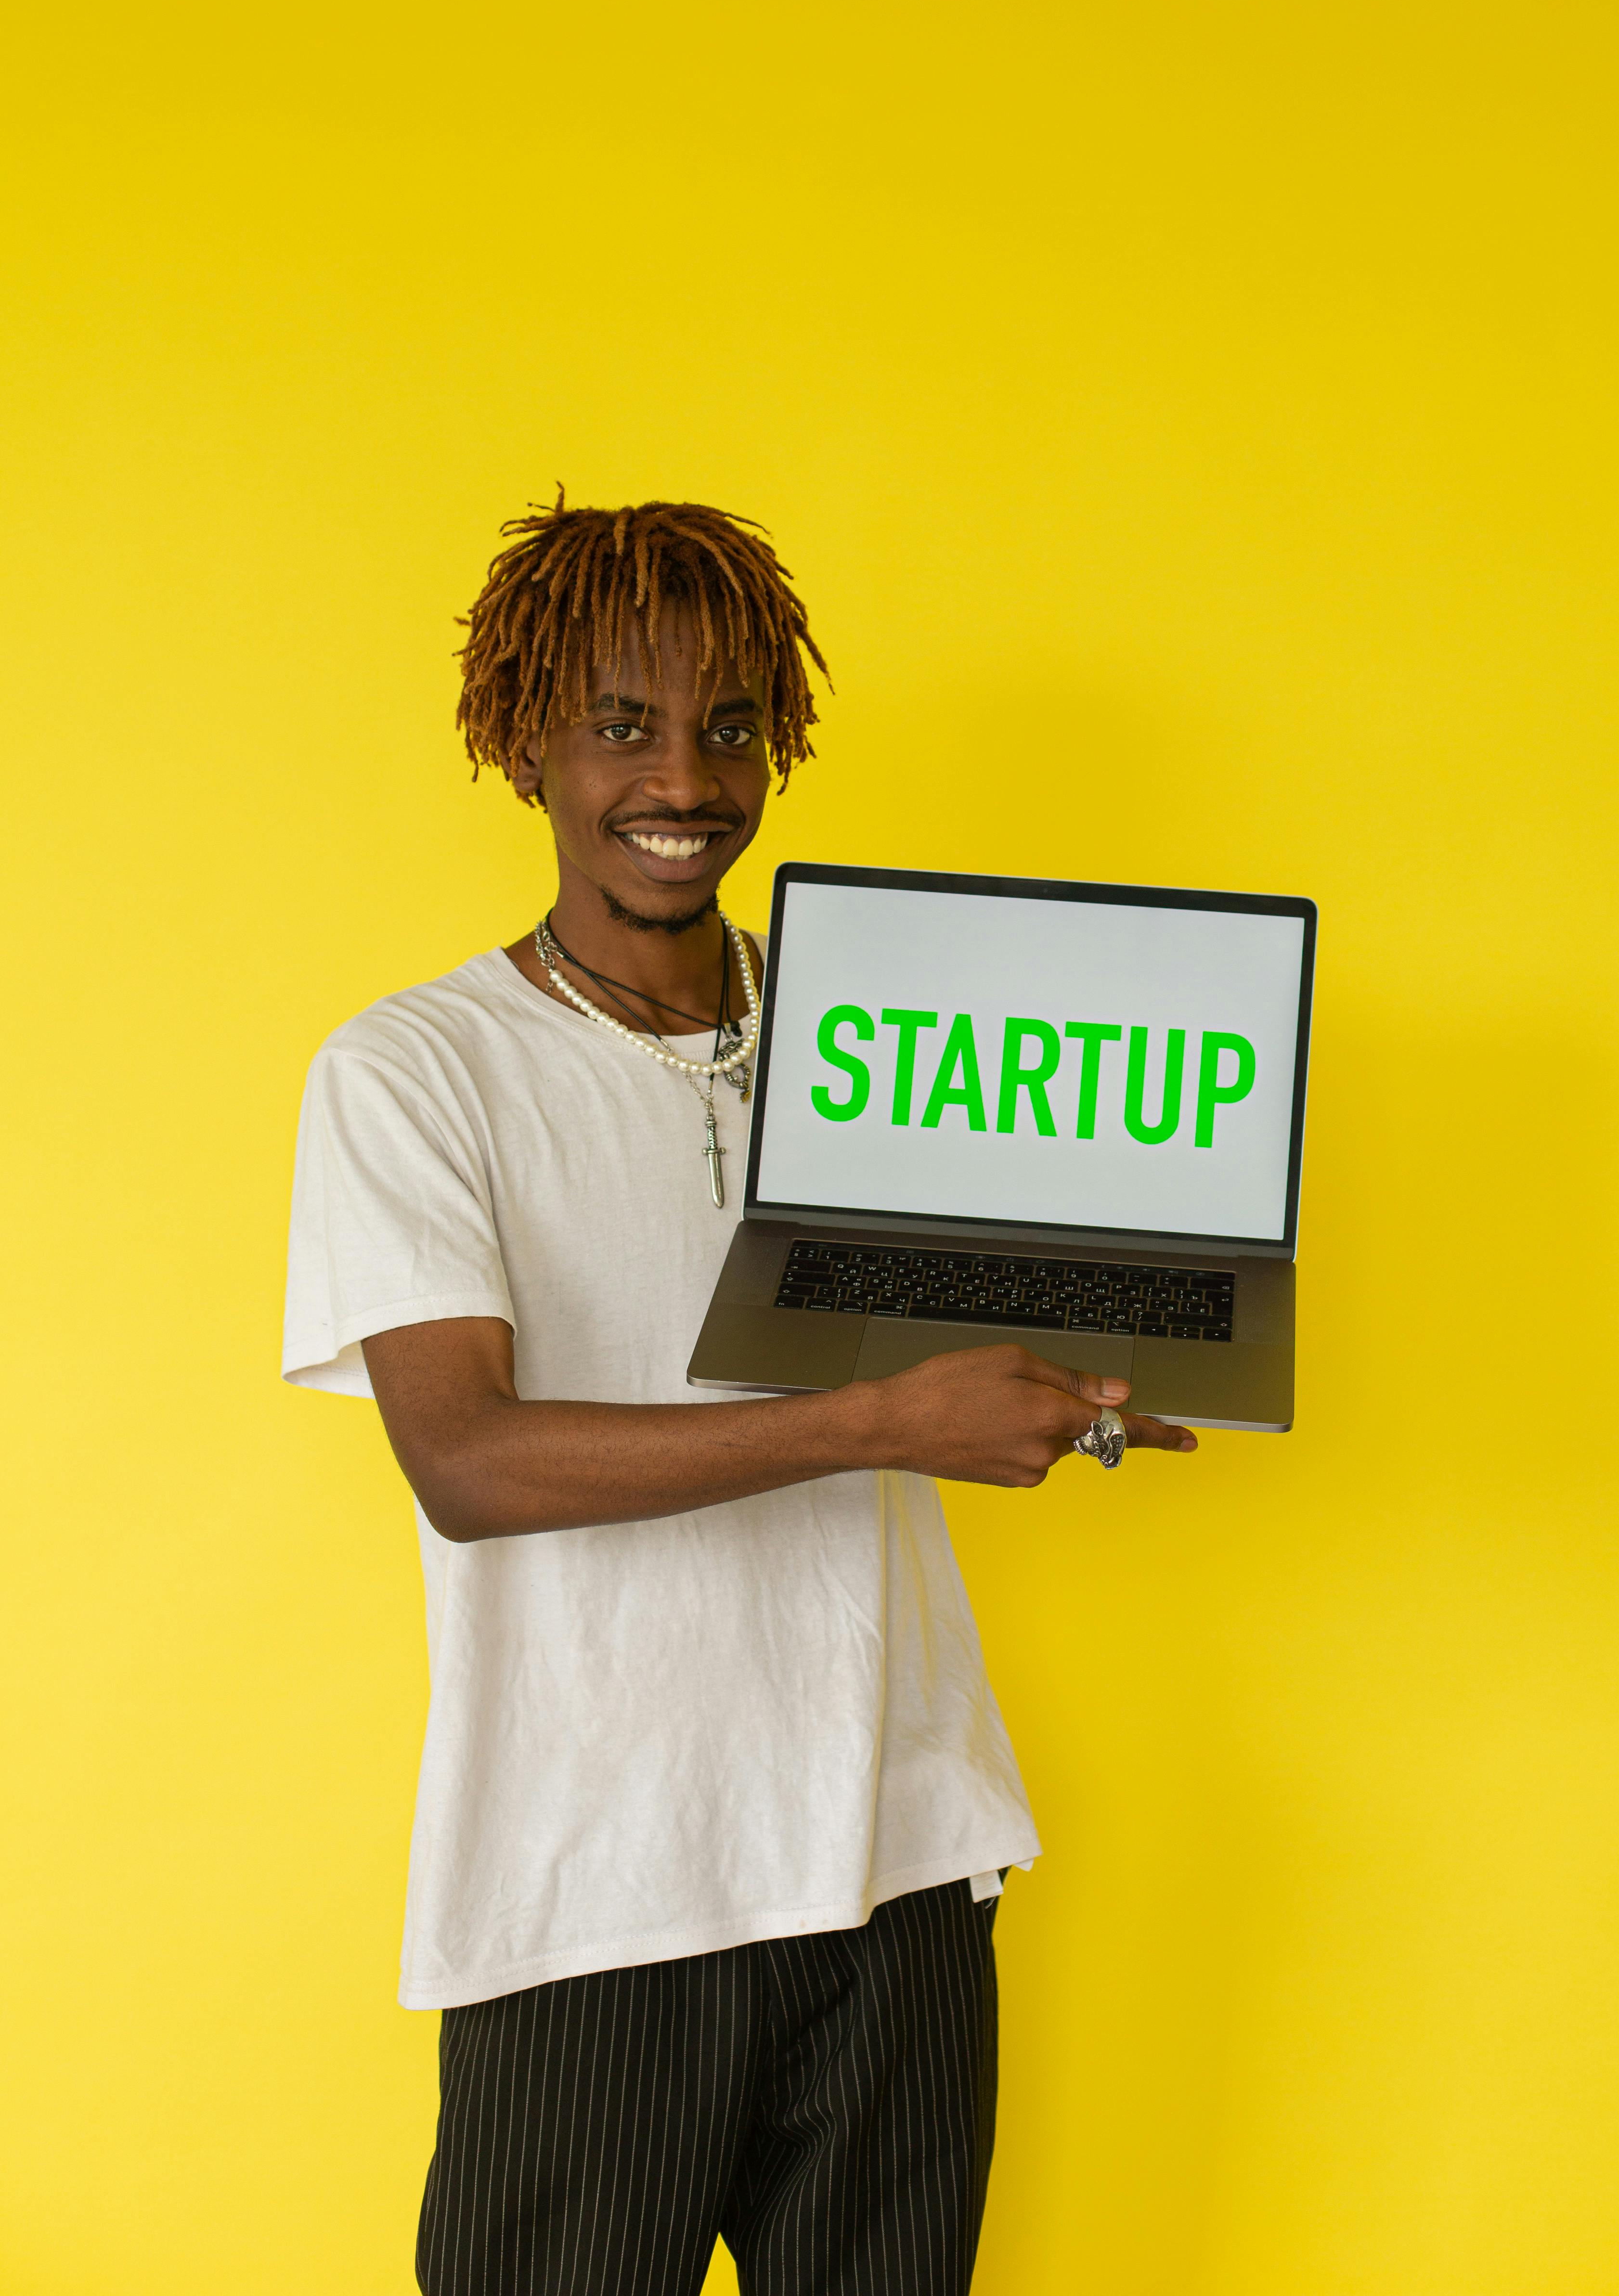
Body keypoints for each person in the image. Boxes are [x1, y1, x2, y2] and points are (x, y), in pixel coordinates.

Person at [283, 495, 1196, 2296]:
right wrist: (878, 1421)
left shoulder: (891, 1050)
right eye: (621, 724)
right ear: (521, 739)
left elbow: (1051, 1308)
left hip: (907, 1859)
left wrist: (1115, 1362)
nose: (680, 776)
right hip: (597, 1892)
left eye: (727, 725)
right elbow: (465, 1460)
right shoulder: (415, 1071)